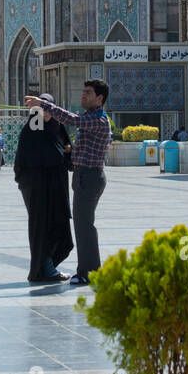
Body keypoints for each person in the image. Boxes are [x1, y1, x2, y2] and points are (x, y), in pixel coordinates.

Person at [25, 80, 112, 286]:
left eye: (88, 93)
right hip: (84, 176)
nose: (83, 96)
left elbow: (72, 120)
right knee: (83, 226)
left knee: (84, 227)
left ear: (99, 99)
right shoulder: (90, 117)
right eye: (83, 92)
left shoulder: (98, 119)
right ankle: (88, 269)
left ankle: (88, 272)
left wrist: (43, 104)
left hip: (89, 177)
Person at [14, 93, 73, 282]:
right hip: (37, 187)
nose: (46, 114)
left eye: (49, 109)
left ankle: (48, 267)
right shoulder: (32, 131)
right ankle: (44, 269)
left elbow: (66, 154)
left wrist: (68, 152)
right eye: (42, 109)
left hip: (56, 187)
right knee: (42, 228)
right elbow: (25, 163)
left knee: (59, 228)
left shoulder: (57, 127)